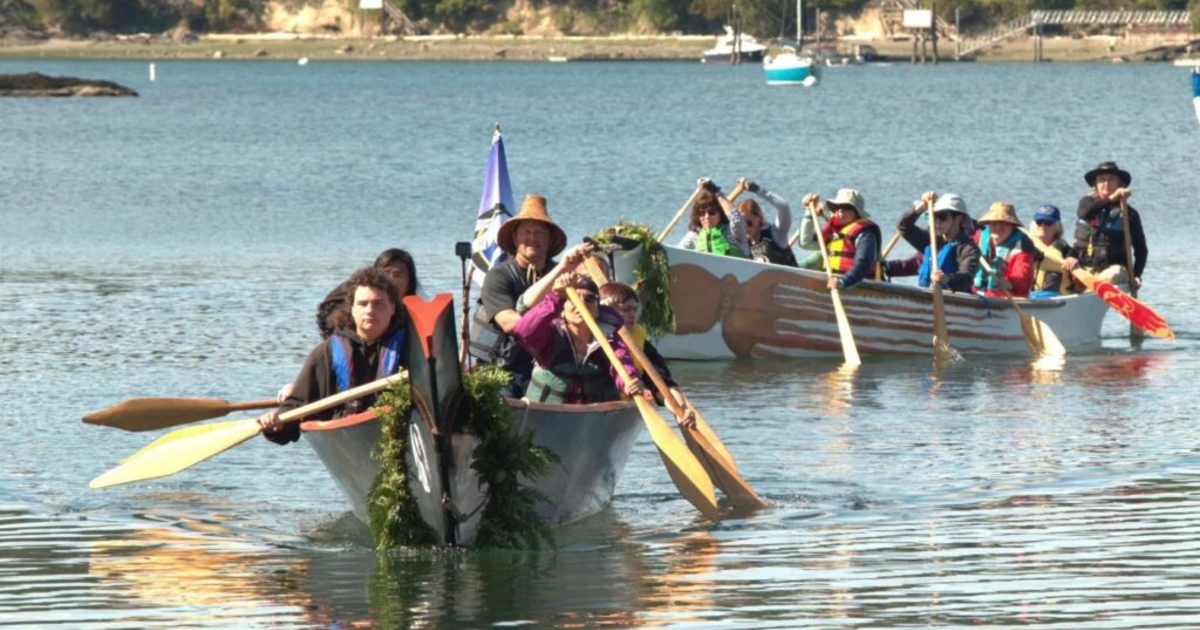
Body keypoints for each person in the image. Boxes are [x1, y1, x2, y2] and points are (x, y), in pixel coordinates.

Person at [259, 266, 407, 445]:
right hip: (348, 439)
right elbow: (298, 404)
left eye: (378, 304)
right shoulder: (326, 353)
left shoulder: (410, 347)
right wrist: (277, 422)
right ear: (352, 308)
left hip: (399, 431)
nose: (369, 310)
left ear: (392, 307)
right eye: (362, 304)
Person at [469, 194, 594, 397]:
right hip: (504, 369)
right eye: (526, 232)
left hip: (552, 366)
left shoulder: (566, 274)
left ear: (549, 239)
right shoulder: (498, 276)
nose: (532, 238)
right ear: (515, 238)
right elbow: (512, 324)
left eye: (539, 232)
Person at [511, 273, 645, 404]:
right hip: (549, 413)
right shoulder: (550, 335)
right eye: (572, 299)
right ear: (562, 309)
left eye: (589, 299)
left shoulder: (610, 337)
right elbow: (524, 332)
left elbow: (622, 361)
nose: (581, 304)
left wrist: (630, 381)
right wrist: (556, 296)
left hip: (595, 417)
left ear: (598, 309)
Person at [598, 282, 695, 426]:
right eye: (625, 310)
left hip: (625, 405)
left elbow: (663, 382)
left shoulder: (640, 340)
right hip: (601, 402)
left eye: (635, 309)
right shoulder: (595, 336)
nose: (632, 315)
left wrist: (681, 409)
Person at [1063, 161, 1148, 290]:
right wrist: (1110, 199)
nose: (1106, 184)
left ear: (1120, 184)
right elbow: (1084, 213)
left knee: (1114, 273)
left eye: (1111, 179)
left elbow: (1141, 250)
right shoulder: (1086, 203)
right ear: (1095, 184)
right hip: (1084, 268)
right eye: (1102, 179)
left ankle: (1090, 288)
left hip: (1112, 272)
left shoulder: (1129, 214)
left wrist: (1136, 275)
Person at [317, 248, 419, 339]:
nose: (390, 280)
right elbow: (326, 312)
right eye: (385, 273)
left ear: (409, 284)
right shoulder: (357, 293)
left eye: (398, 275)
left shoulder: (415, 316)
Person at [796, 189, 883, 291]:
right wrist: (809, 211)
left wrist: (843, 281)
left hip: (856, 285)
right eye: (837, 207)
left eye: (846, 207)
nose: (840, 211)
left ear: (857, 211)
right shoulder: (834, 229)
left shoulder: (866, 234)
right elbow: (806, 243)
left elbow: (863, 263)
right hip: (832, 284)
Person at [897, 191, 981, 293]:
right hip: (927, 296)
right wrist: (921, 208)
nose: (937, 222)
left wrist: (947, 278)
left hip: (953, 300)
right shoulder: (931, 240)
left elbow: (966, 278)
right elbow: (904, 227)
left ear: (959, 219)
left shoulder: (969, 249)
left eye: (942, 217)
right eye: (934, 216)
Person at [973, 202, 1035, 298]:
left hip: (1006, 297)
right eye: (994, 222)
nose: (998, 226)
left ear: (1012, 225)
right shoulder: (978, 238)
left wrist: (1010, 282)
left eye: (1003, 223)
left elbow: (1023, 275)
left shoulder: (1022, 244)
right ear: (988, 223)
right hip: (976, 293)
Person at [677, 179, 750, 257]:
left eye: (711, 212)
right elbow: (677, 253)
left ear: (720, 213)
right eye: (702, 213)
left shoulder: (731, 233)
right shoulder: (694, 236)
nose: (707, 216)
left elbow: (737, 220)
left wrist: (717, 192)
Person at [738, 178, 797, 266]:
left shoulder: (776, 233)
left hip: (790, 279)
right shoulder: (743, 243)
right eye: (741, 224)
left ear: (759, 219)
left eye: (748, 223)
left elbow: (784, 208)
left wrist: (757, 190)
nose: (745, 228)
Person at [1028, 204, 1077, 298]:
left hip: (1056, 300)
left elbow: (1079, 281)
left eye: (1048, 223)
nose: (1043, 226)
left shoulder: (1066, 251)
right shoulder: (1025, 246)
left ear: (1057, 227)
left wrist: (1074, 262)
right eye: (1039, 222)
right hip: (1029, 297)